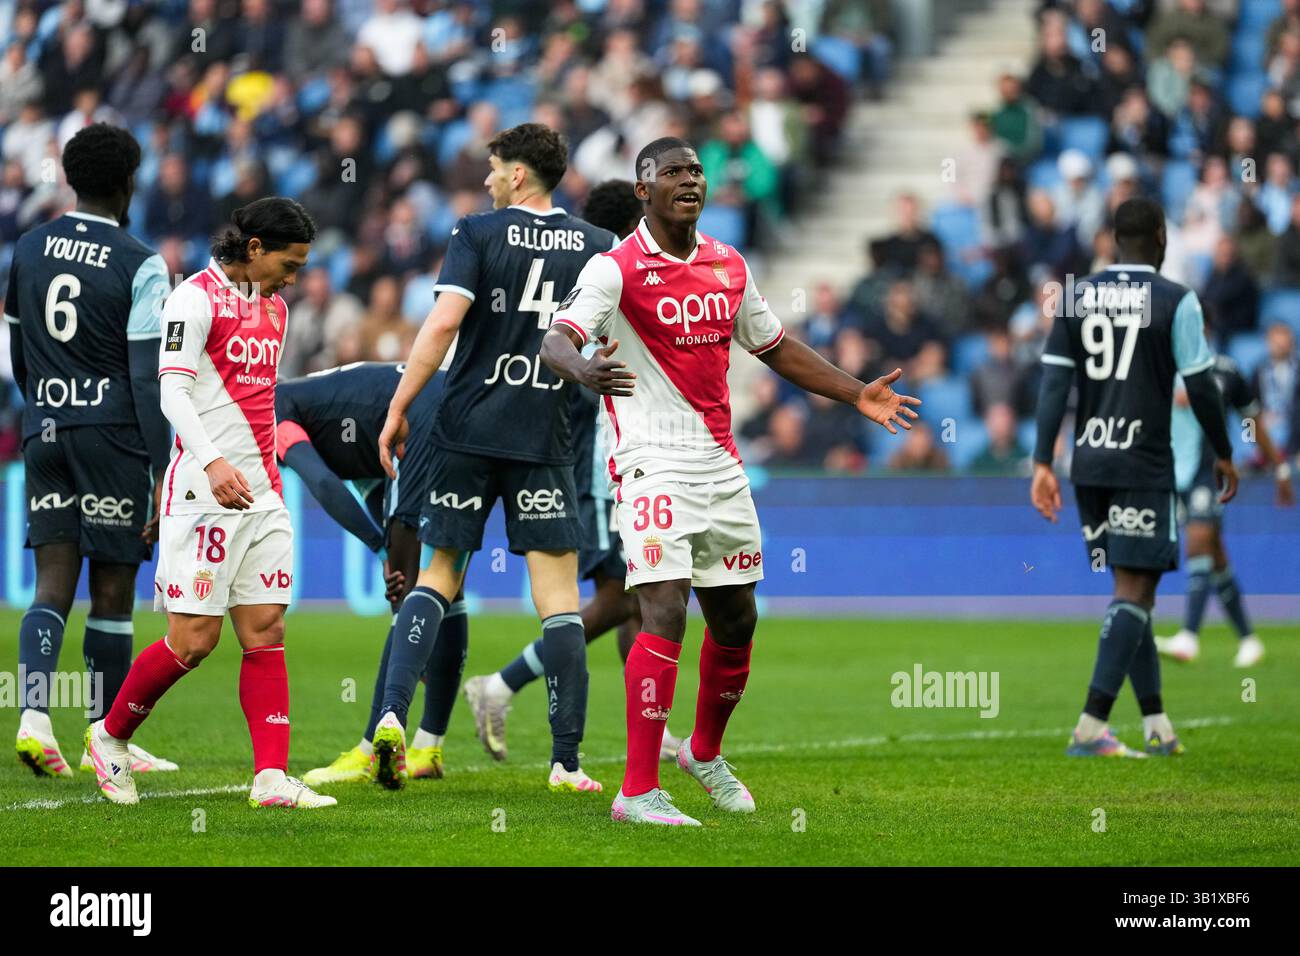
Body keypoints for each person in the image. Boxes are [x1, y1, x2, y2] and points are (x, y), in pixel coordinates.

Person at [542, 136, 919, 826]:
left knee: (737, 617)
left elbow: (775, 347)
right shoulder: (615, 268)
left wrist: (855, 392)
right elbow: (556, 339)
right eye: (673, 172)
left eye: (695, 170)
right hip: (651, 460)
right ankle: (637, 790)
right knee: (663, 608)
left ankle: (705, 753)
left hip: (720, 463)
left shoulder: (727, 264)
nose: (690, 180)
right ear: (642, 190)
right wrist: (583, 369)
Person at [376, 123, 617, 794]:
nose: (485, 180)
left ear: (516, 175)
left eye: (493, 168)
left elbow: (445, 322)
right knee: (560, 601)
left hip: (466, 430)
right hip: (545, 438)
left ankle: (392, 719)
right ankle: (566, 764)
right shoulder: (600, 247)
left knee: (440, 575)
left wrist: (399, 407)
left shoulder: (475, 233)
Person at [83, 197, 333, 809]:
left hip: (263, 492)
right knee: (194, 640)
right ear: (254, 248)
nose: (294, 277)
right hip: (201, 490)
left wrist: (258, 466)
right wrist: (213, 461)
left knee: (266, 630)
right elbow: (172, 393)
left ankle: (271, 778)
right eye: (289, 262)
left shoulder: (274, 307)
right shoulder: (192, 297)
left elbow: (257, 400)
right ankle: (110, 737)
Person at [462, 179, 683, 763]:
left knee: (635, 597)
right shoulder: (609, 276)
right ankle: (501, 683)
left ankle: (651, 728)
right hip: (606, 466)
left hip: (616, 458)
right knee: (621, 596)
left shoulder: (606, 276)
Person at [1031, 197, 1238, 759]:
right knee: (1136, 587)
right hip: (1143, 462)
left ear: (1112, 239)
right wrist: (1223, 452)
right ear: (1162, 238)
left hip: (1088, 465)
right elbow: (1201, 387)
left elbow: (1054, 385)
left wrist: (1042, 462)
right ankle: (1091, 726)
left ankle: (1156, 723)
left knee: (1131, 586)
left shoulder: (1074, 296)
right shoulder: (1176, 300)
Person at [5, 123, 178, 779]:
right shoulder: (141, 262)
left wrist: (50, 406)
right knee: (111, 591)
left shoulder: (29, 245)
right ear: (129, 181)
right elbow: (143, 373)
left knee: (52, 582)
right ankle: (108, 737)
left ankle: (33, 717)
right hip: (113, 436)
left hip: (44, 428)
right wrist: (162, 467)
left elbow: (20, 352)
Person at [275, 361, 468, 785]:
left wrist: (383, 546)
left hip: (417, 418)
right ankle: (428, 746)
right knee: (447, 585)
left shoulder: (274, 409)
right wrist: (386, 537)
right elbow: (371, 483)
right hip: (453, 402)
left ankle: (369, 750)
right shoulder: (324, 399)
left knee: (406, 597)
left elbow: (324, 484)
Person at [1156, 338, 1292, 667]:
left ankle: (1189, 635)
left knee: (1199, 541)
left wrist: (1280, 466)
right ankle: (1248, 639)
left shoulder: (1226, 371)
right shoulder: (1159, 364)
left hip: (1210, 472)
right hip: (1170, 472)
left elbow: (1252, 421)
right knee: (1216, 558)